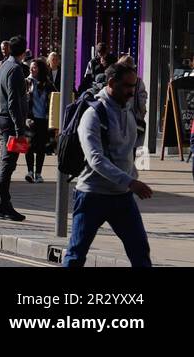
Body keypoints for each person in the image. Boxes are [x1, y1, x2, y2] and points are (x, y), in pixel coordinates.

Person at [63, 64, 153, 268]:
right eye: (127, 86)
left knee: (140, 250)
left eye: (134, 86)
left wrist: (132, 176)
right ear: (111, 83)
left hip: (122, 197)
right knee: (77, 254)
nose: (132, 92)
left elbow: (127, 150)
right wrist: (131, 182)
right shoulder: (93, 115)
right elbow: (95, 159)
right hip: (92, 195)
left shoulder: (128, 110)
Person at [0, 35, 30, 221]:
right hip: (11, 123)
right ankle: (3, 206)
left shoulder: (3, 66)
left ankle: (3, 205)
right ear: (23, 51)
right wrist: (19, 130)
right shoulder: (15, 69)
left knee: (6, 164)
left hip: (3, 120)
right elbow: (13, 102)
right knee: (7, 165)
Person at [25, 57, 53, 183]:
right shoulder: (26, 82)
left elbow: (55, 98)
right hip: (31, 119)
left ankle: (39, 173)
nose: (32, 68)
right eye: (31, 66)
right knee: (29, 146)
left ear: (40, 69)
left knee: (41, 147)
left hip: (43, 119)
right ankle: (30, 172)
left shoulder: (47, 84)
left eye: (35, 67)